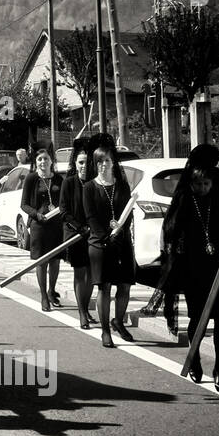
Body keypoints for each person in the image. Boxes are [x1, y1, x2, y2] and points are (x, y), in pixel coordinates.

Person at [162, 144, 219, 390]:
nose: (203, 188)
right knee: (198, 318)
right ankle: (194, 357)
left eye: (207, 184)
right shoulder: (186, 197)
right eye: (198, 184)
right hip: (194, 267)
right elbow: (171, 229)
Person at [82, 138, 136, 348]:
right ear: (95, 164)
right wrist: (106, 236)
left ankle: (118, 321)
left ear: (113, 162)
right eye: (100, 161)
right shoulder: (89, 187)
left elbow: (127, 213)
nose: (104, 164)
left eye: (107, 160)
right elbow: (91, 216)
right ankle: (105, 331)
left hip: (122, 241)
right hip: (100, 243)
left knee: (124, 285)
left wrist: (120, 230)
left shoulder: (122, 185)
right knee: (104, 288)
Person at [21, 147, 65, 311]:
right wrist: (36, 215)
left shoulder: (59, 179)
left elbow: (64, 201)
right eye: (40, 159)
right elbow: (24, 204)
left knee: (55, 261)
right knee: (42, 262)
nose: (43, 162)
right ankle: (44, 296)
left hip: (56, 225)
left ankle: (52, 291)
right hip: (39, 225)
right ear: (36, 162)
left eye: (46, 159)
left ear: (51, 161)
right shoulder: (31, 179)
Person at [59, 141, 96, 329]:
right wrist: (79, 227)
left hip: (93, 234)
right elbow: (63, 210)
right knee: (80, 272)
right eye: (80, 162)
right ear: (75, 164)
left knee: (91, 274)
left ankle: (87, 308)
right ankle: (81, 312)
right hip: (75, 234)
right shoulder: (68, 182)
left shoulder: (95, 182)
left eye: (87, 162)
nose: (84, 166)